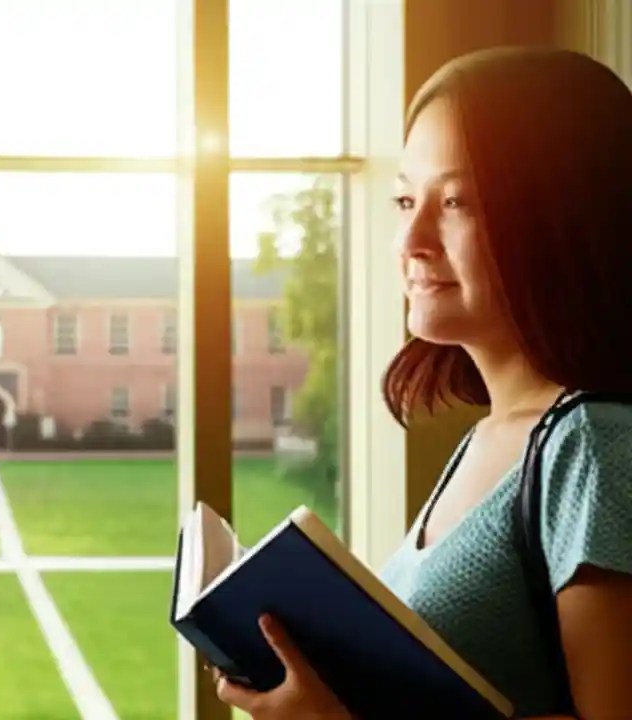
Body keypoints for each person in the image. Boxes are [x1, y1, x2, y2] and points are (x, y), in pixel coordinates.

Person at [213, 47, 632, 719]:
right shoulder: (490, 439)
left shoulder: (595, 445)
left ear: (562, 216)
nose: (411, 237)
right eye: (406, 198)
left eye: (459, 201)